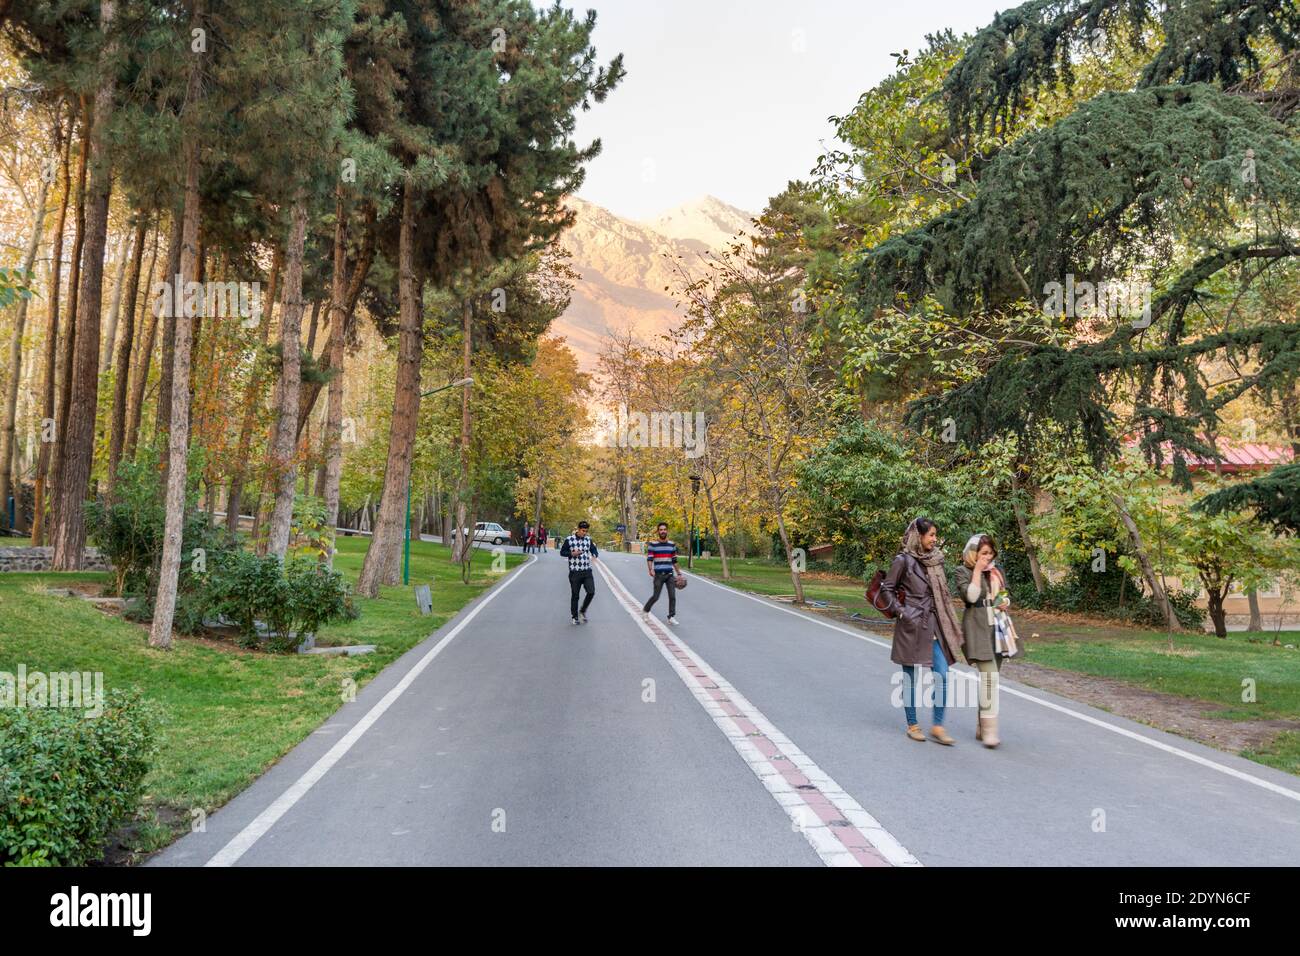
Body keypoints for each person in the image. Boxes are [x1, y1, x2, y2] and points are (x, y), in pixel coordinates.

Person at [880, 517, 964, 745]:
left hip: (934, 624)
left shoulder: (936, 560)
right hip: (911, 623)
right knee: (909, 678)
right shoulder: (903, 560)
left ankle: (938, 726)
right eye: (932, 535)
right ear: (919, 536)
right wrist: (901, 612)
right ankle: (913, 724)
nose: (935, 540)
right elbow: (887, 588)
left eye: (936, 535)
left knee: (942, 675)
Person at [955, 534, 1014, 748]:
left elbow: (1005, 594)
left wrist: (1005, 601)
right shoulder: (963, 571)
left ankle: (982, 726)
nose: (988, 557)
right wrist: (978, 571)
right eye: (983, 553)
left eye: (990, 553)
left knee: (992, 678)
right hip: (976, 628)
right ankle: (990, 731)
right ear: (973, 554)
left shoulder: (997, 572)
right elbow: (970, 597)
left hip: (998, 629)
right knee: (989, 677)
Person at [560, 520, 599, 624]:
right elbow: (562, 552)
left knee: (591, 592)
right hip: (575, 572)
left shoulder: (588, 540)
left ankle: (582, 611)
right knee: (575, 595)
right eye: (583, 530)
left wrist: (595, 554)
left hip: (587, 571)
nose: (584, 533)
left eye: (586, 531)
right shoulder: (569, 539)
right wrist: (572, 554)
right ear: (578, 529)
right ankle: (574, 617)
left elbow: (594, 549)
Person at [642, 522, 680, 624]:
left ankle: (671, 617)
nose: (663, 531)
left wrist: (679, 573)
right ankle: (645, 611)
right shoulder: (653, 545)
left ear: (667, 531)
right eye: (661, 530)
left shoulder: (672, 544)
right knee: (656, 596)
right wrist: (650, 569)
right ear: (658, 531)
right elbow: (650, 558)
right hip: (658, 575)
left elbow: (674, 560)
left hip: (670, 574)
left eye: (664, 529)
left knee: (672, 596)